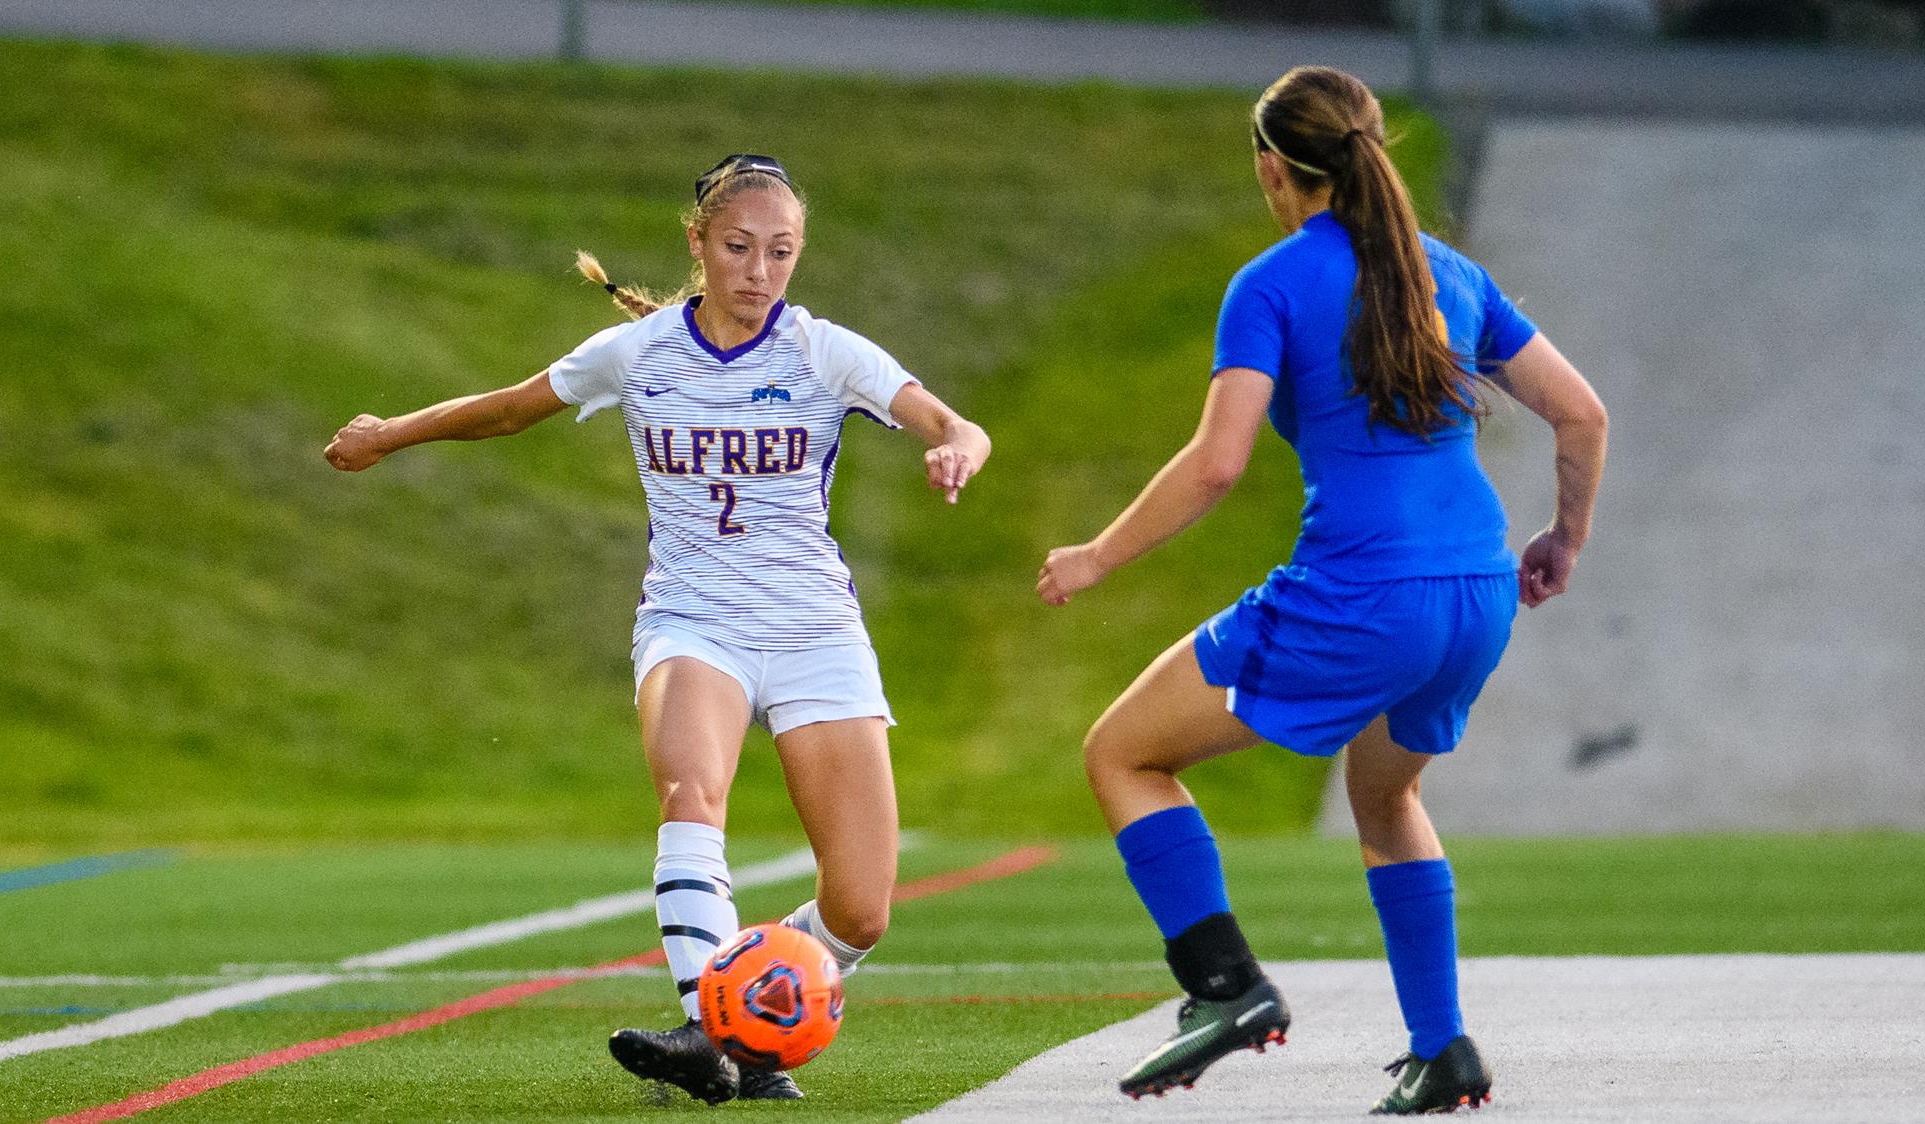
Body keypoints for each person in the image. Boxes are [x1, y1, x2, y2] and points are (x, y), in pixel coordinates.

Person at [325, 154, 991, 1105]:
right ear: (697, 244)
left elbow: (952, 423)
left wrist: (959, 448)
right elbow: (509, 410)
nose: (759, 272)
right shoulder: (636, 356)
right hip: (695, 621)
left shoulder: (822, 351)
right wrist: (389, 432)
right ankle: (712, 1036)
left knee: (862, 909)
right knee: (690, 790)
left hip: (814, 634)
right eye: (738, 247)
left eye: (781, 252)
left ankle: (749, 1006)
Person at [1037, 68, 1607, 1115]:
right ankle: (1440, 1049)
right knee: (1386, 793)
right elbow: (1581, 414)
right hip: (1476, 592)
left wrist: (1095, 556)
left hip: (1363, 595)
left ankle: (1226, 986)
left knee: (1121, 752)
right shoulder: (1447, 272)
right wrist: (1560, 541)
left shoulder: (1272, 282)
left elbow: (1215, 464)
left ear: (1271, 168)